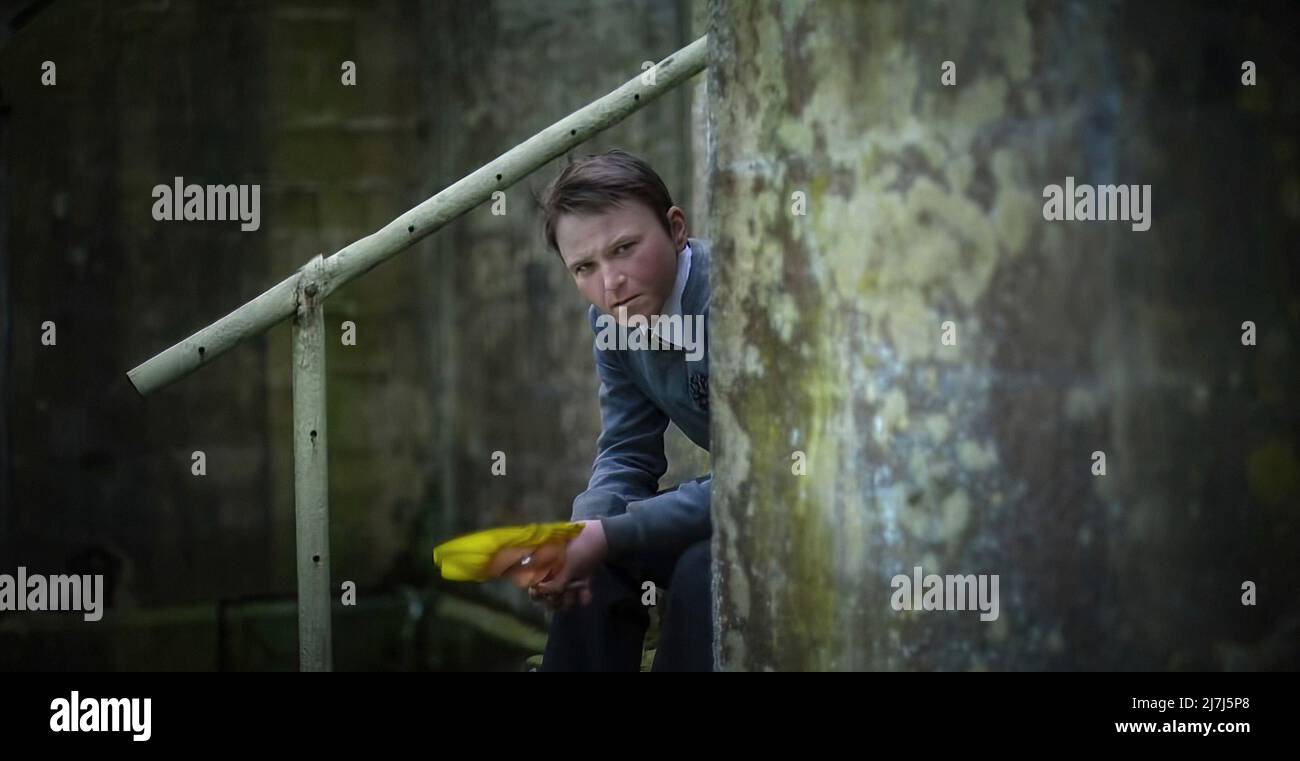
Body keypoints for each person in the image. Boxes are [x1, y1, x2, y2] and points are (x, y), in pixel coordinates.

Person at [530, 149, 714, 671]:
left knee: (703, 572)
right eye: (584, 267)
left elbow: (763, 484)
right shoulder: (610, 322)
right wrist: (584, 532)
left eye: (625, 248)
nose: (609, 284)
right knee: (596, 568)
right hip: (743, 500)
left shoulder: (738, 299)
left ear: (676, 228)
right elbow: (628, 452)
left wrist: (609, 533)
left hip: (814, 500)